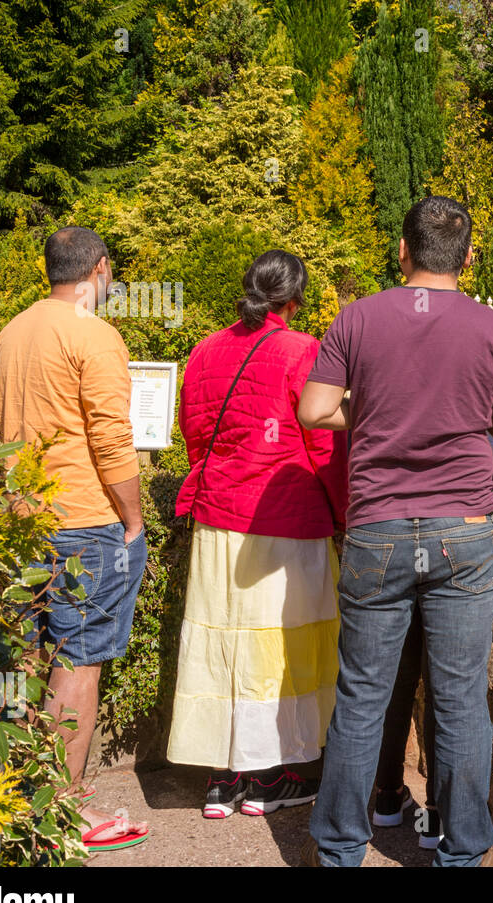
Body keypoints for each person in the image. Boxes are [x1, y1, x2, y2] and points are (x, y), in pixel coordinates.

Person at [299, 196, 493, 868]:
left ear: (402, 251)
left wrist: (377, 413)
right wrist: (469, 418)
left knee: (362, 693)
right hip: (462, 528)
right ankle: (461, 852)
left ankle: (340, 849)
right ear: (468, 258)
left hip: (378, 526)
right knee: (460, 696)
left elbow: (315, 409)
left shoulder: (358, 318)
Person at [166, 251, 347, 819]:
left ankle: (223, 776)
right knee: (281, 646)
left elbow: (194, 432)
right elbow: (323, 447)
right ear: (294, 302)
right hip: (285, 519)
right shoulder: (303, 351)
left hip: (218, 515)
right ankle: (274, 774)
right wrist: (342, 515)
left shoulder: (204, 350)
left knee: (223, 641)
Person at [0, 226, 149, 851]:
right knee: (79, 660)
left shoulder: (12, 331)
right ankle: (59, 812)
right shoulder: (95, 334)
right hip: (84, 522)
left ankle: (21, 798)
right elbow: (111, 436)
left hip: (19, 520)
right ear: (101, 269)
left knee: (29, 659)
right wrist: (134, 521)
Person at [371, 437, 493, 851]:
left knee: (388, 681)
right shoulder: (474, 380)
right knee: (450, 691)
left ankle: (386, 795)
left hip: (384, 528)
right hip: (455, 532)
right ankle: (437, 817)